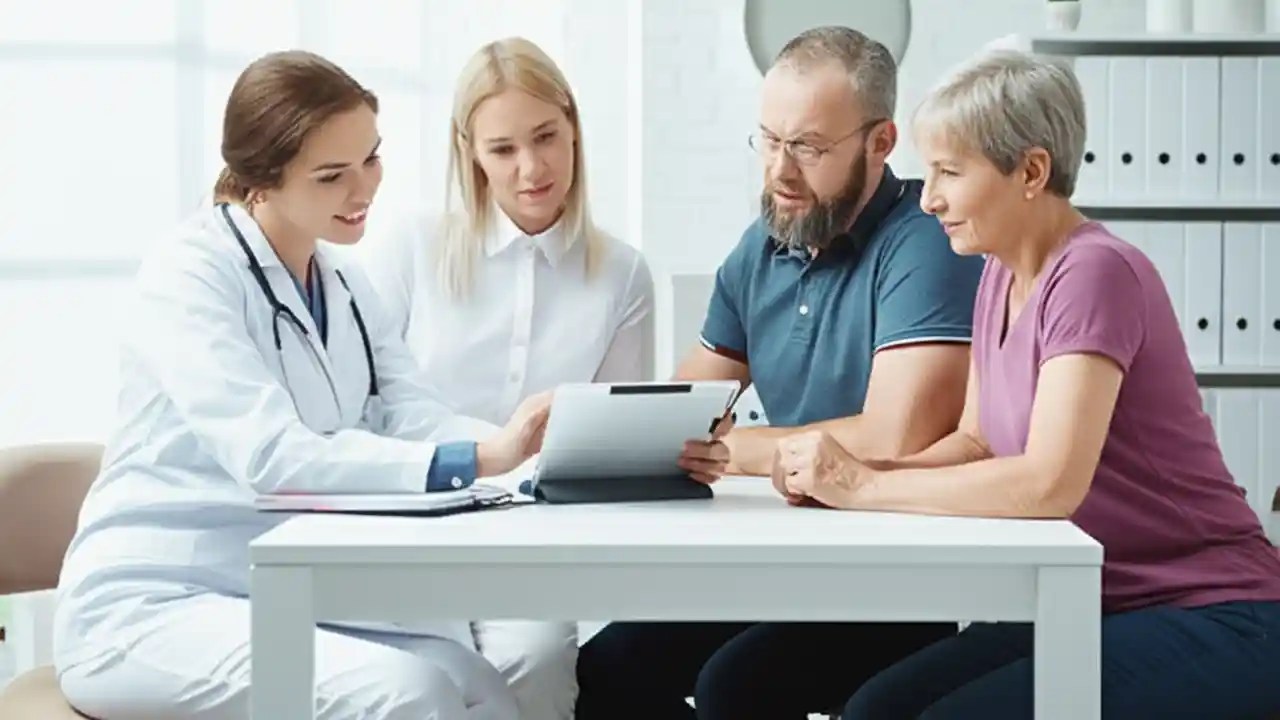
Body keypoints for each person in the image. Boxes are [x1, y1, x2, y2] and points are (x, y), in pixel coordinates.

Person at [769, 49, 1280, 719]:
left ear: (1032, 172)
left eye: (951, 172)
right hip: (1093, 598)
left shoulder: (1096, 273)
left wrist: (864, 487)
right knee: (878, 710)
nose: (929, 198)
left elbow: (1049, 483)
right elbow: (977, 443)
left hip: (1211, 605)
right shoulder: (999, 276)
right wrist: (851, 477)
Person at [52, 50, 549, 720]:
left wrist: (536, 454)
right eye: (331, 176)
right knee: (410, 694)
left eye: (371, 159)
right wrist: (476, 460)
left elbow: (413, 414)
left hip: (269, 589)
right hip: (154, 602)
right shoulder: (189, 275)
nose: (363, 189)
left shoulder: (343, 283)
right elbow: (271, 455)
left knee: (481, 685)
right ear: (261, 181)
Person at [576, 26, 986, 720]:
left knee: (738, 687)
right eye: (769, 140)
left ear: (881, 142)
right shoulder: (763, 244)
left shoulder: (926, 240)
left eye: (809, 148)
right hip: (786, 555)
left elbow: (898, 435)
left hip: (895, 574)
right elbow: (679, 413)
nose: (780, 171)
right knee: (607, 667)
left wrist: (732, 450)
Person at [359, 37, 652, 720]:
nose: (531, 168)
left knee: (538, 662)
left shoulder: (621, 274)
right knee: (424, 678)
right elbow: (364, 406)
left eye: (546, 136)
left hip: (534, 538)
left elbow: (613, 446)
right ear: (471, 153)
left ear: (573, 126)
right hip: (411, 523)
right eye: (502, 149)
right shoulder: (412, 246)